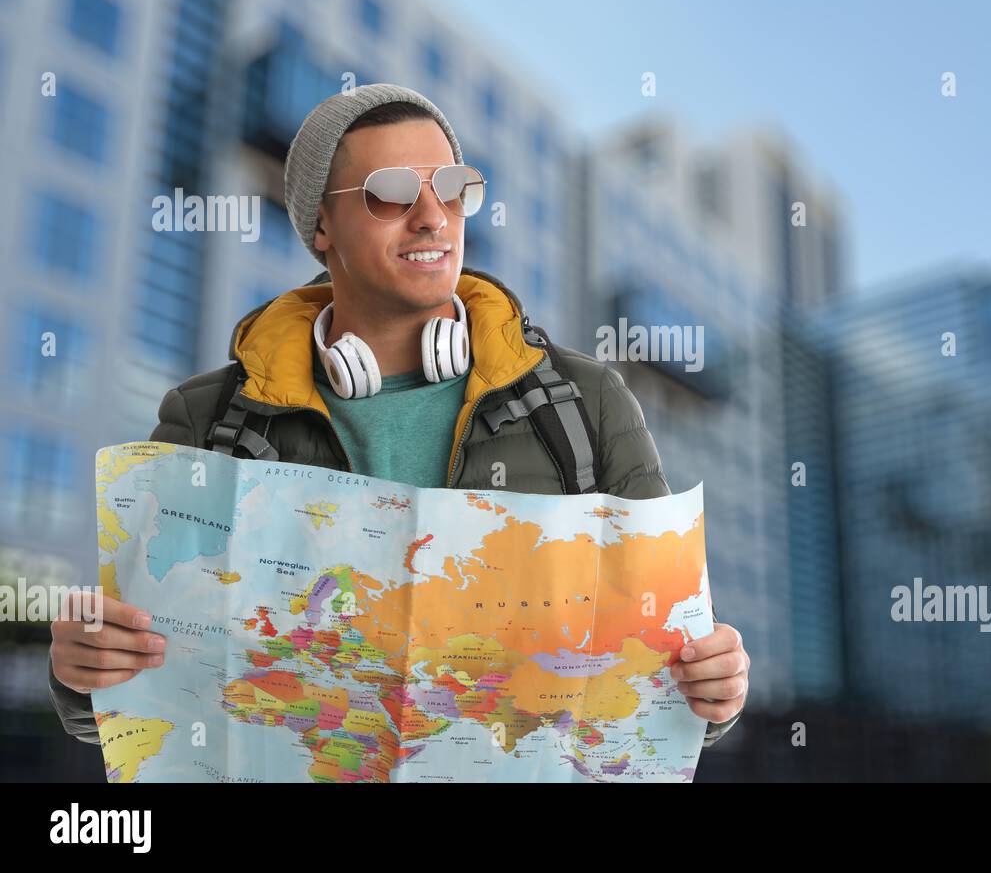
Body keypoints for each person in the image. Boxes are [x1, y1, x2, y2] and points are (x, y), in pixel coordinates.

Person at [48, 83, 747, 756]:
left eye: (451, 188)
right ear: (320, 224)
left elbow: (672, 671)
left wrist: (713, 686)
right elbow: (135, 675)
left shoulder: (586, 402)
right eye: (389, 194)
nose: (432, 217)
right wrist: (81, 672)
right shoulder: (207, 419)